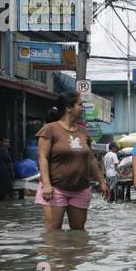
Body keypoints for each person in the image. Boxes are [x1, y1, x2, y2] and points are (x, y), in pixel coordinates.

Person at [35, 91, 107, 230]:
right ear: (69, 107)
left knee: (79, 233)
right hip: (56, 188)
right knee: (53, 233)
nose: (83, 108)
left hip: (81, 188)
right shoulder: (50, 129)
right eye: (80, 105)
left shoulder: (83, 131)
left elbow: (91, 158)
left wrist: (102, 181)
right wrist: (47, 184)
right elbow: (42, 158)